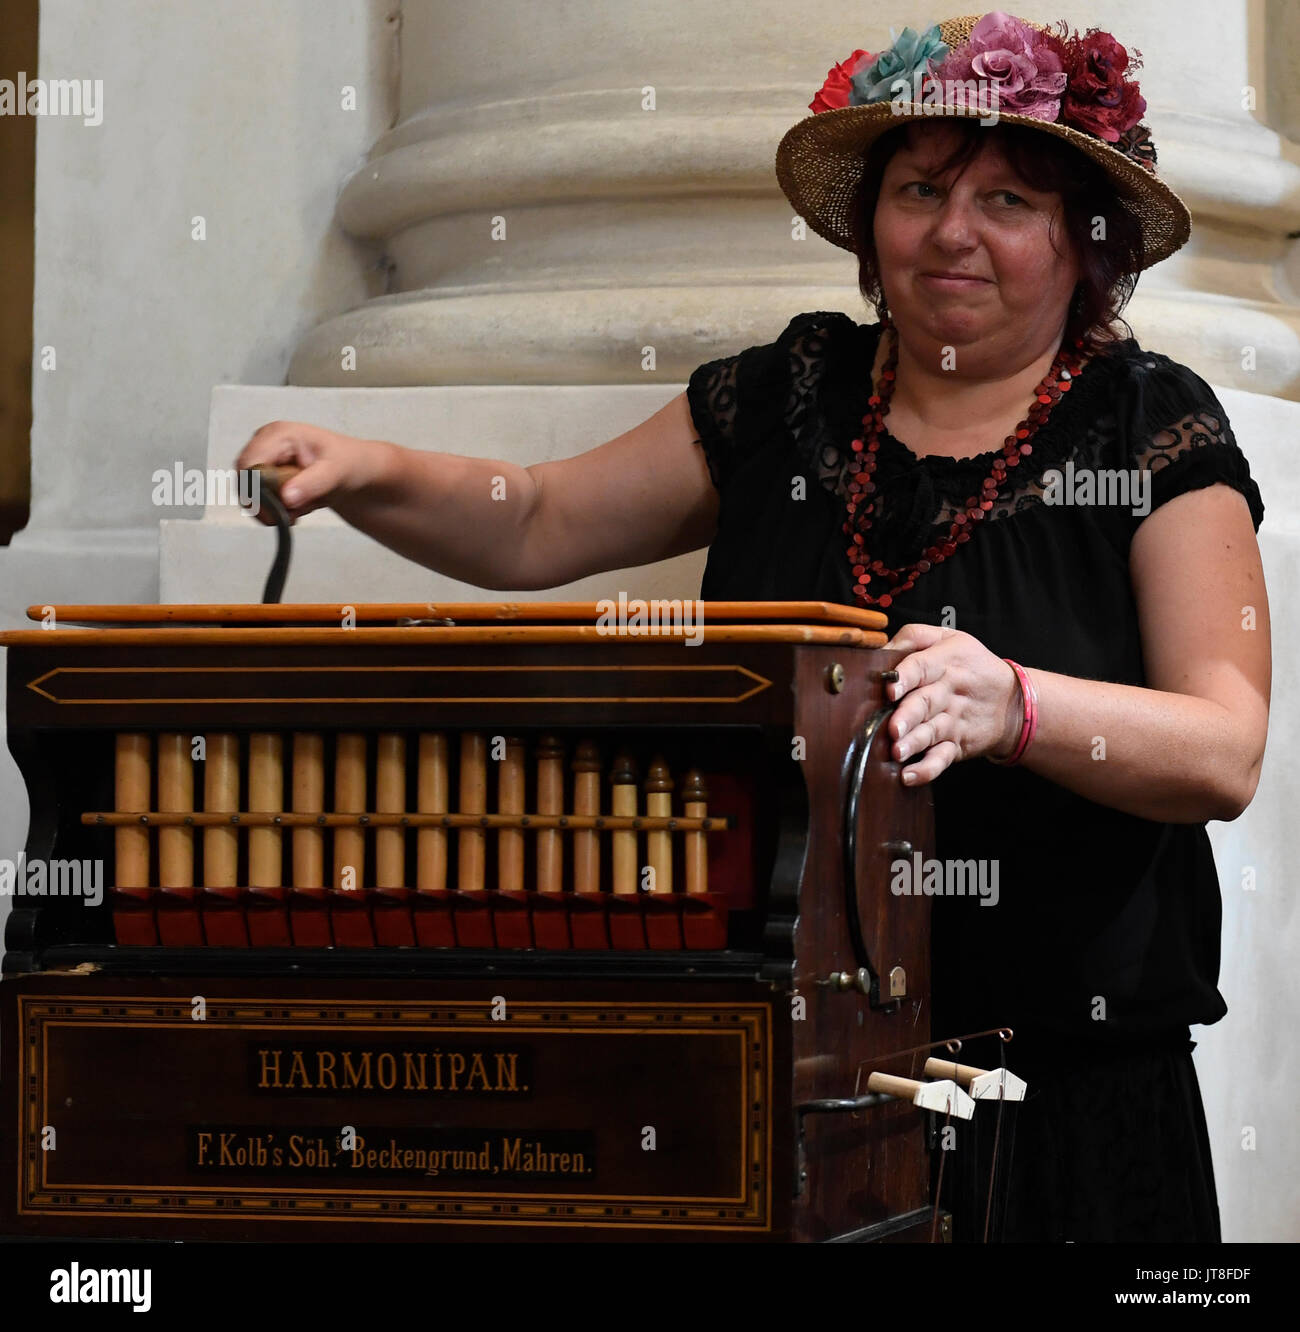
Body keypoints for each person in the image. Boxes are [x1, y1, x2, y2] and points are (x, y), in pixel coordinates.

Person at [236, 12, 1271, 1242]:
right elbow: (540, 522)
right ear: (867, 220)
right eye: (920, 188)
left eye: (1008, 200)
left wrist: (1016, 705)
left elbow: (1223, 748)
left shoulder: (1145, 426)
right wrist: (361, 465)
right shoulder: (790, 393)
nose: (950, 230)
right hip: (777, 1062)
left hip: (1060, 1088)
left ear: (1080, 242)